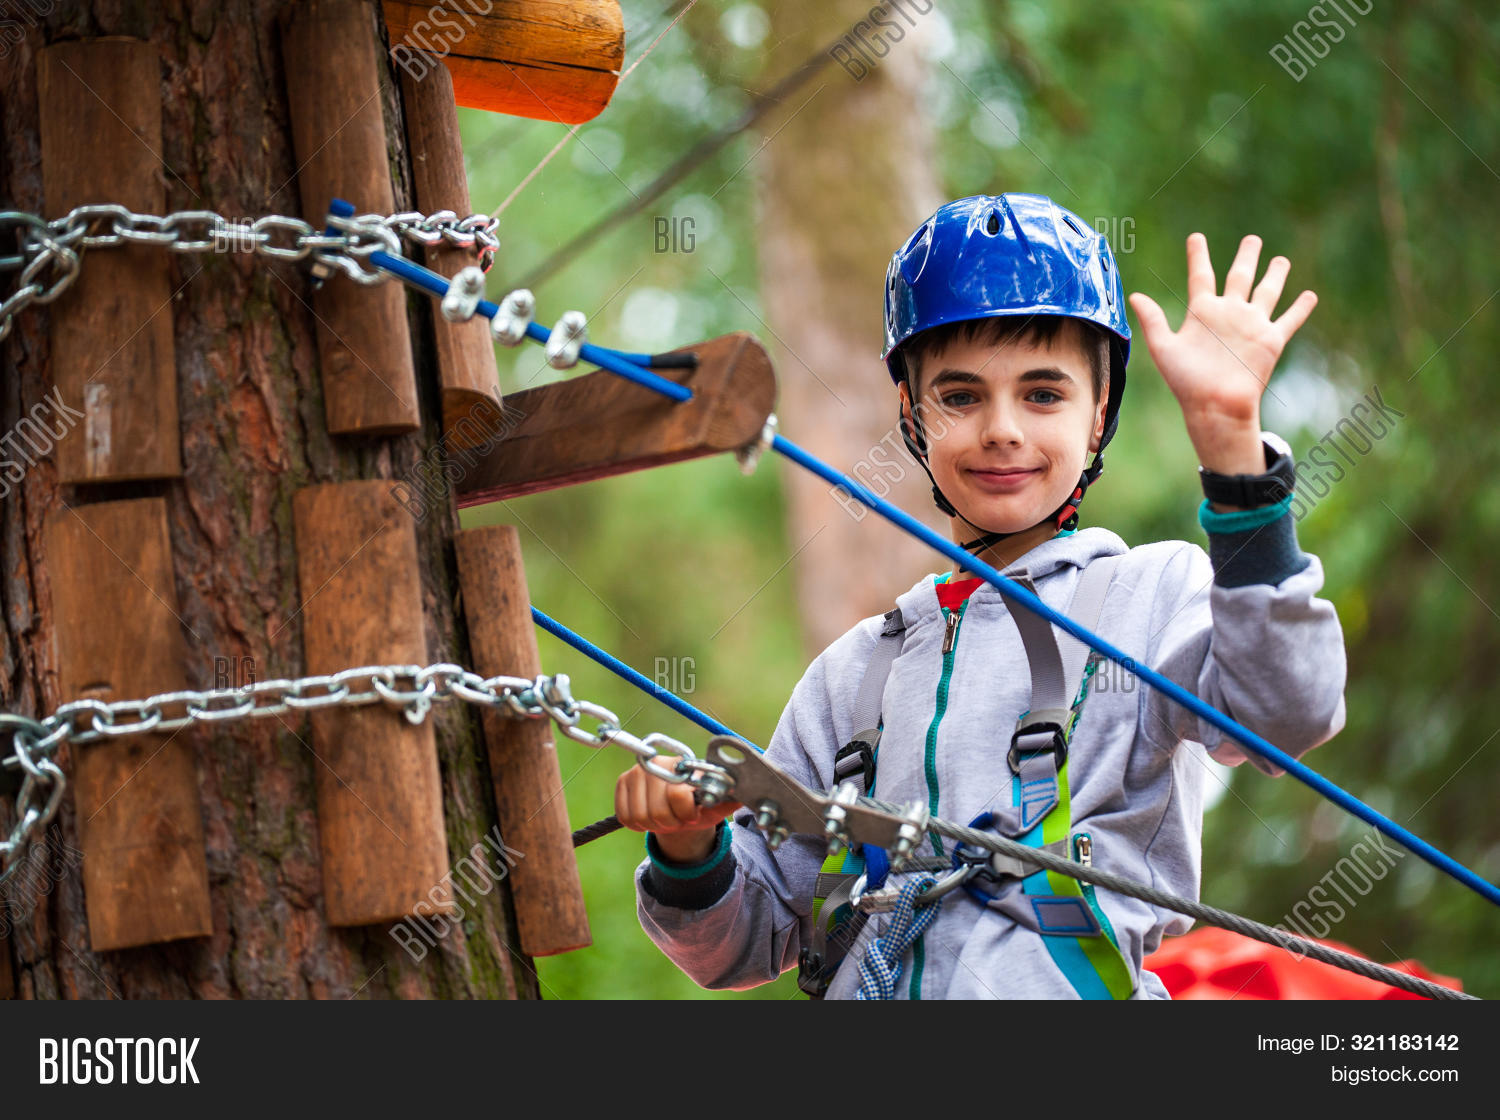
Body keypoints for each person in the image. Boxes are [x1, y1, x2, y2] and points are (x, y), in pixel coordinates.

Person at [614, 193, 1347, 999]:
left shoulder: (1149, 599)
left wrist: (1234, 455)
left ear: (1099, 413)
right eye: (961, 397)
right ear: (912, 415)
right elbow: (741, 946)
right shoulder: (854, 675)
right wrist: (688, 852)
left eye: (1043, 394)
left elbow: (1287, 713)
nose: (1001, 429)